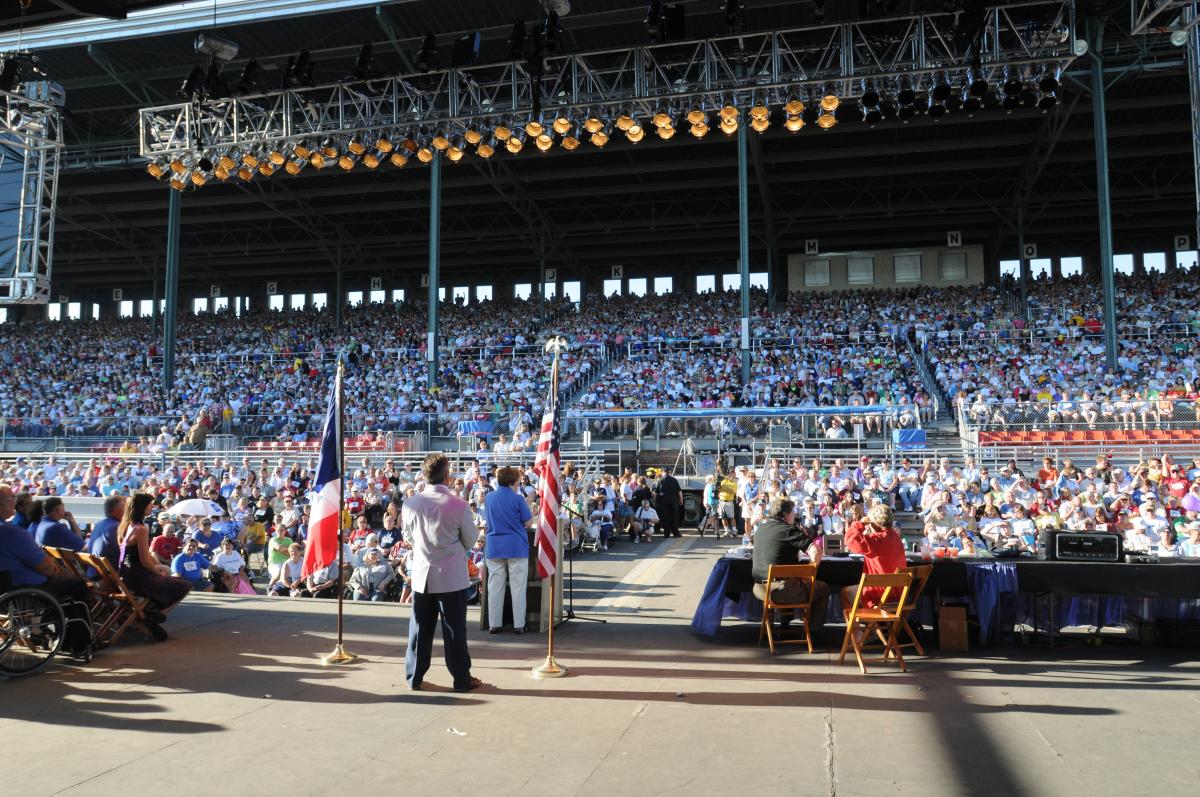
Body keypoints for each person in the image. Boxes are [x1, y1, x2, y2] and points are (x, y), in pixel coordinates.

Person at [401, 452, 483, 693]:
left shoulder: (410, 504)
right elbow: (470, 540)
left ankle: (414, 677)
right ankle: (461, 678)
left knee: (419, 629)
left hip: (422, 576)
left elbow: (407, 537)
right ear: (447, 476)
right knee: (454, 630)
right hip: (451, 577)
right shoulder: (459, 505)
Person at [750, 496, 830, 639]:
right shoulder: (789, 530)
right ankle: (813, 632)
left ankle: (784, 625)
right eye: (793, 512)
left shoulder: (761, 528)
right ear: (786, 515)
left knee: (790, 579)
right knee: (822, 588)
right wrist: (808, 574)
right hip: (780, 591)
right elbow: (816, 551)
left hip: (759, 588)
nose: (795, 515)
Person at [118, 492, 191, 640]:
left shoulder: (123, 526)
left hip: (126, 574)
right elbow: (145, 561)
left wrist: (156, 568)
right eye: (149, 505)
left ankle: (151, 613)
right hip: (138, 577)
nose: (152, 507)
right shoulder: (141, 529)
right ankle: (156, 616)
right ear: (142, 508)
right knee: (184, 585)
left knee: (165, 578)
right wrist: (158, 572)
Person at [482, 466, 532, 634]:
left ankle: (494, 624)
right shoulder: (518, 499)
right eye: (518, 481)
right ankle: (519, 624)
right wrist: (529, 502)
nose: (519, 483)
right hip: (516, 546)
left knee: (495, 587)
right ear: (512, 482)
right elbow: (528, 523)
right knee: (518, 587)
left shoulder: (489, 497)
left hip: (494, 547)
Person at [841, 503, 907, 617]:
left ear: (875, 523)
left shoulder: (876, 540)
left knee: (845, 593)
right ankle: (872, 630)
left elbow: (850, 539)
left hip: (879, 596)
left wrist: (860, 524)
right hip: (899, 595)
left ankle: (858, 633)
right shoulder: (895, 537)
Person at [654, 466, 683, 538]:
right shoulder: (674, 480)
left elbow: (656, 492)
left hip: (663, 501)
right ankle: (676, 533)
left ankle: (666, 534)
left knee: (665, 517)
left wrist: (655, 502)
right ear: (669, 472)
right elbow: (679, 491)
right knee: (674, 517)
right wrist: (681, 500)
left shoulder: (660, 480)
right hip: (673, 500)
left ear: (663, 472)